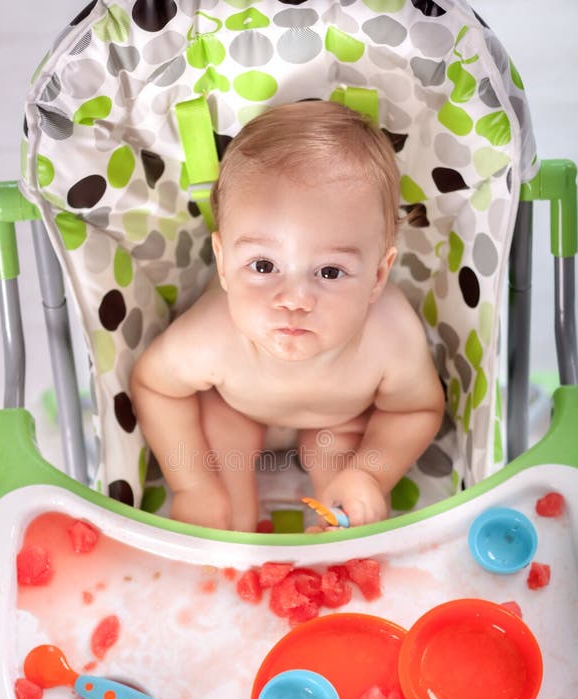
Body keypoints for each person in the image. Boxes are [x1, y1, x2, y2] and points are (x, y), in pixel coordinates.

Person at [130, 100, 444, 532]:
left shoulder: (391, 335)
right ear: (222, 262)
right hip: (235, 409)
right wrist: (193, 484)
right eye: (262, 266)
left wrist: (372, 472)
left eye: (329, 272)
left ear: (377, 276)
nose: (293, 299)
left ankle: (338, 537)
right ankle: (230, 532)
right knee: (221, 492)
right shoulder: (212, 335)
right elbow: (156, 386)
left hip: (339, 420)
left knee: (348, 499)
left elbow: (415, 411)